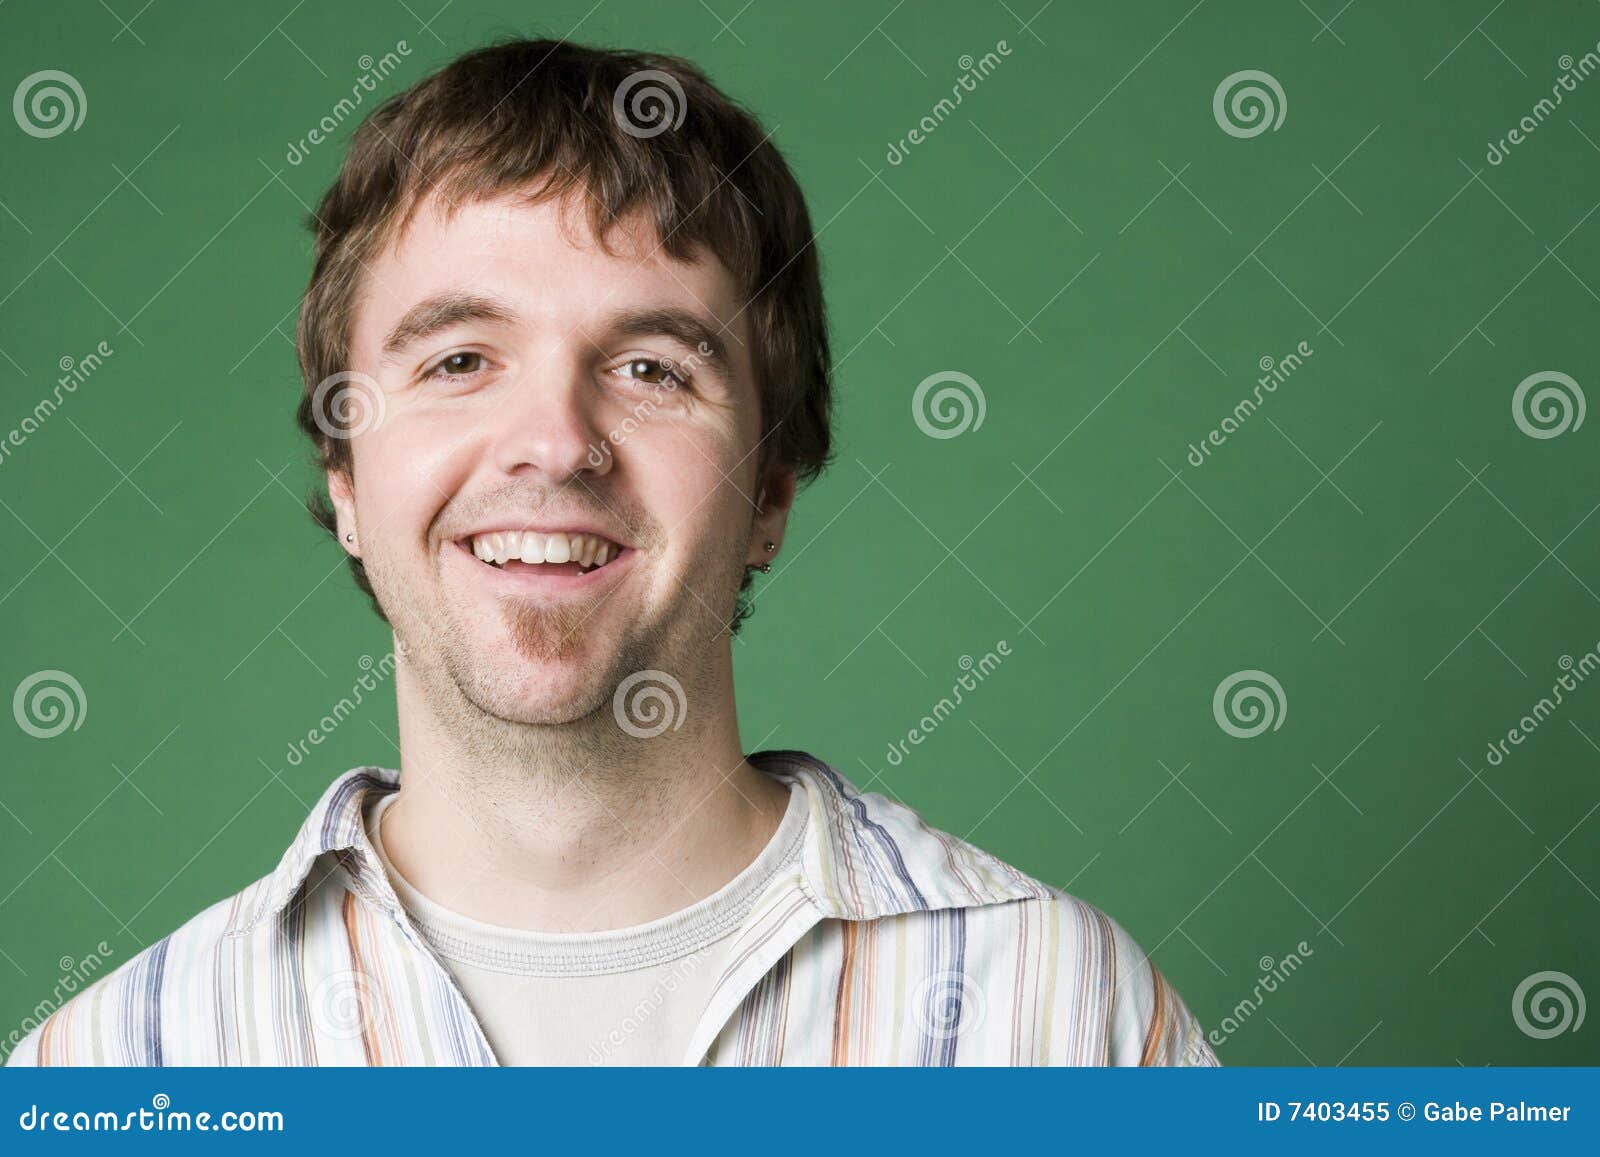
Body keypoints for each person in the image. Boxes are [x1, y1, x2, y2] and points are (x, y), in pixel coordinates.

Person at [8, 38, 1216, 1067]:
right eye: (458, 361)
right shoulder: (125, 1064)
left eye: (652, 368)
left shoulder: (1062, 1020)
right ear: (348, 480)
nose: (554, 441)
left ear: (771, 490)